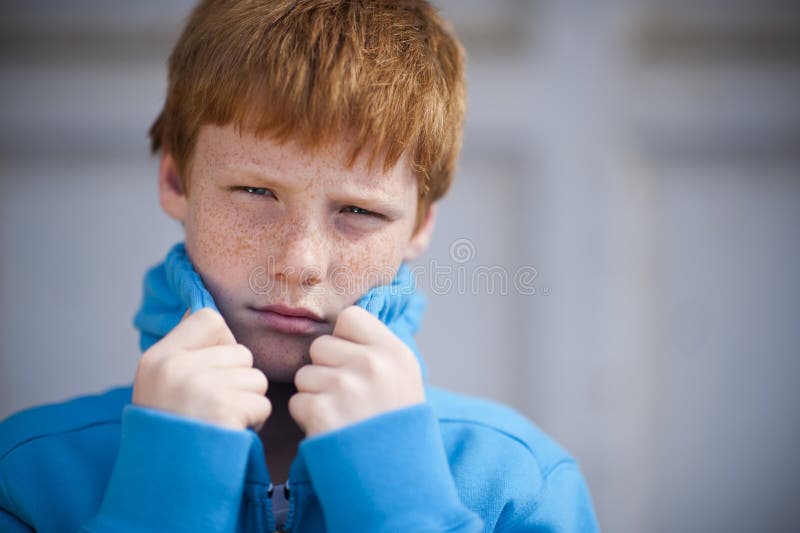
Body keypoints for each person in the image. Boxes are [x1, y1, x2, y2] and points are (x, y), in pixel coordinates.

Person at [0, 1, 600, 531]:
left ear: (419, 225)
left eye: (359, 210)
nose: (299, 264)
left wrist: (404, 507)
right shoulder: (26, 477)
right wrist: (161, 499)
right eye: (255, 193)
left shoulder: (518, 486)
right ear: (176, 180)